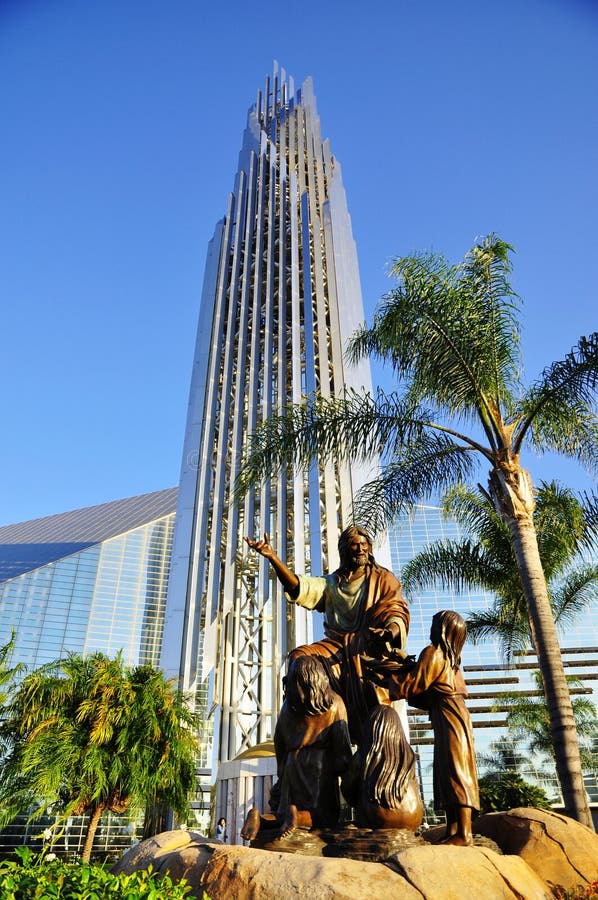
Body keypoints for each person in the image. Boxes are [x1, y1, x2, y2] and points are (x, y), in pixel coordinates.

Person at [244, 525, 410, 744]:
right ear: (344, 549)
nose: (360, 549)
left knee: (372, 691)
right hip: (335, 645)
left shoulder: (383, 579)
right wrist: (273, 557)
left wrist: (390, 631)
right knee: (298, 659)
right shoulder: (332, 583)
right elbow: (298, 586)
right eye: (354, 544)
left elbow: (396, 610)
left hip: (369, 645)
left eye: (364, 544)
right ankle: (318, 720)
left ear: (369, 547)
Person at [383, 610, 479, 846]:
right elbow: (426, 691)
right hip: (449, 714)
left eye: (435, 624)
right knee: (445, 770)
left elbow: (414, 684)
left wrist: (387, 675)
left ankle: (464, 834)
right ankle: (454, 829)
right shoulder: (451, 659)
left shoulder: (434, 653)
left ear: (445, 630)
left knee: (456, 769)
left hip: (450, 717)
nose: (431, 628)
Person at [241, 655, 352, 841]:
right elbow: (343, 752)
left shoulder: (289, 706)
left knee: (283, 813)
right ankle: (299, 818)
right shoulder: (334, 703)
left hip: (292, 765)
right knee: (324, 816)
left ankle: (260, 818)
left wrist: (283, 771)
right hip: (320, 769)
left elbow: (279, 741)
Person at [340, 704, 423, 831]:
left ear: (371, 728)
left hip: (379, 820)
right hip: (413, 818)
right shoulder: (408, 754)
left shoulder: (364, 755)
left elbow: (347, 789)